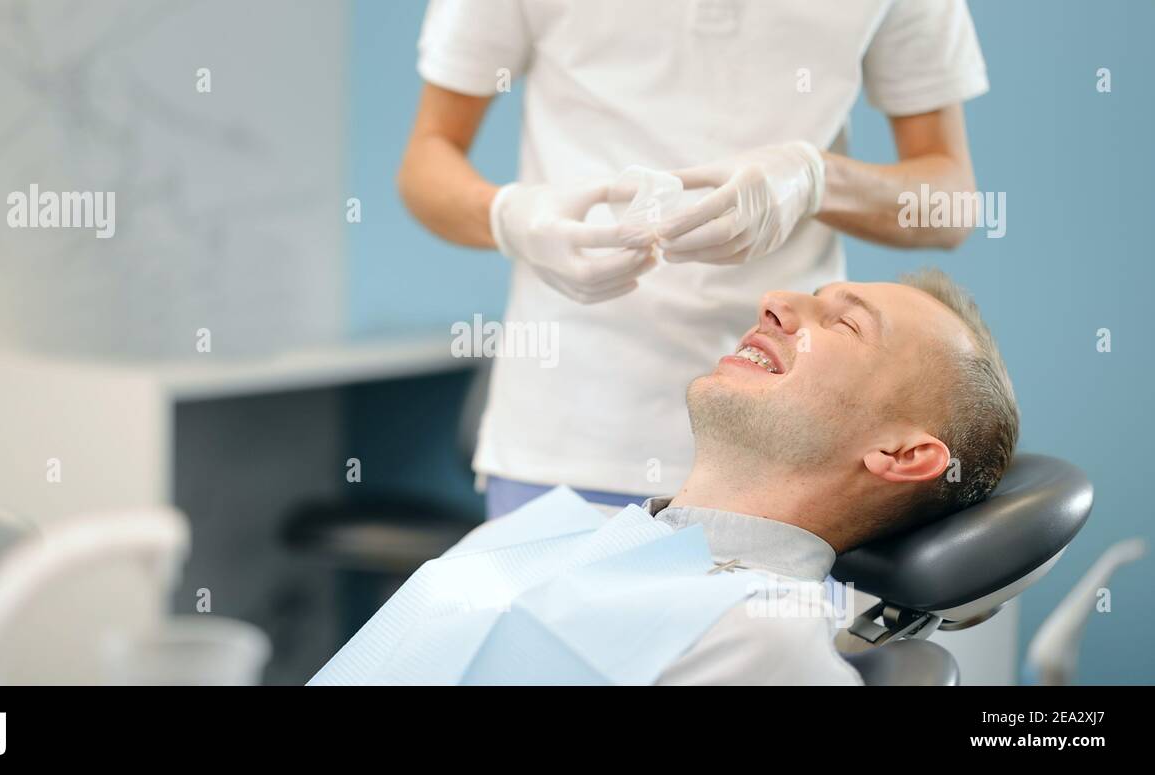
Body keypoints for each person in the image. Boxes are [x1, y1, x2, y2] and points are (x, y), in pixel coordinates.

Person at [398, 0, 991, 518]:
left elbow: (952, 202)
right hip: (572, 428)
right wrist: (511, 217)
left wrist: (815, 180)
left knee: (769, 643)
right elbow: (427, 159)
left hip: (795, 460)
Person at [313, 268, 1019, 685]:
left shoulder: (763, 642)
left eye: (846, 324)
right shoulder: (553, 525)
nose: (776, 301)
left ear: (901, 455)